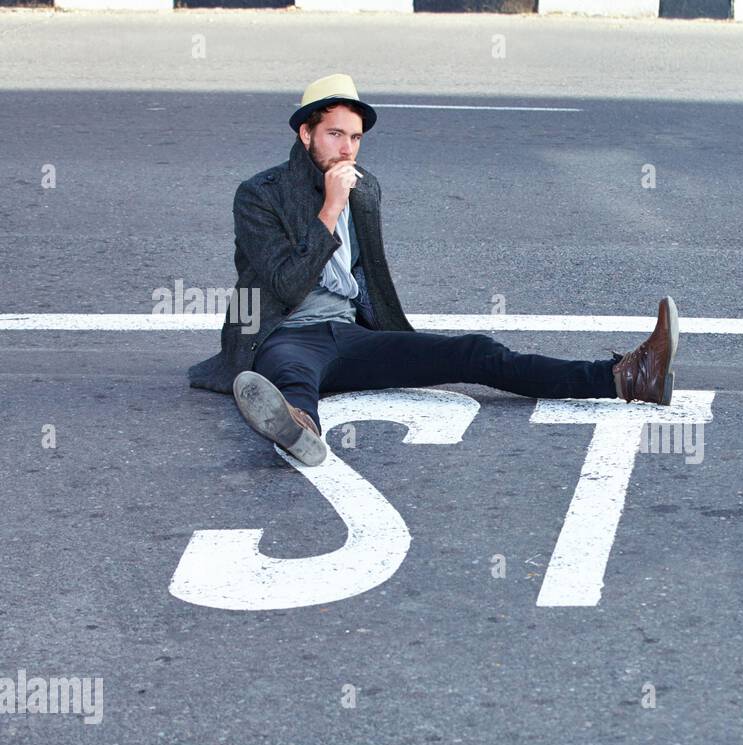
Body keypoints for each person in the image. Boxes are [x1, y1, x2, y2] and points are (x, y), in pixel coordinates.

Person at [187, 73, 678, 467]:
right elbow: (286, 284)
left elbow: (369, 280)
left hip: (350, 335)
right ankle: (299, 431)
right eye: (335, 134)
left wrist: (396, 338)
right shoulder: (260, 194)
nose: (347, 149)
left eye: (355, 138)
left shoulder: (365, 188)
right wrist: (331, 209)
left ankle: (629, 377)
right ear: (305, 132)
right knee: (294, 377)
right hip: (282, 332)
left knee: (474, 351)